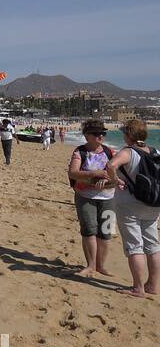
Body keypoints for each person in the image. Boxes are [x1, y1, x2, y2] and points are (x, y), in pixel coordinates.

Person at [106, 119, 160, 297]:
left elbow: (111, 165)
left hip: (130, 204)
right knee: (153, 245)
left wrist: (115, 180)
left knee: (134, 246)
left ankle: (138, 288)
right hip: (152, 203)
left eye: (124, 133)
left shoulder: (128, 152)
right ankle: (153, 285)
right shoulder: (154, 151)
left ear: (129, 135)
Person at [67, 119, 117, 278]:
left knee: (106, 232)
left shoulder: (110, 152)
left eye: (103, 133)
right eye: (96, 133)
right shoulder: (79, 152)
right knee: (89, 231)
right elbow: (72, 173)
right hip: (85, 196)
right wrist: (94, 174)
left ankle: (101, 266)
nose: (101, 136)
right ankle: (91, 265)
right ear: (87, 135)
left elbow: (117, 177)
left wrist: (108, 180)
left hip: (109, 197)